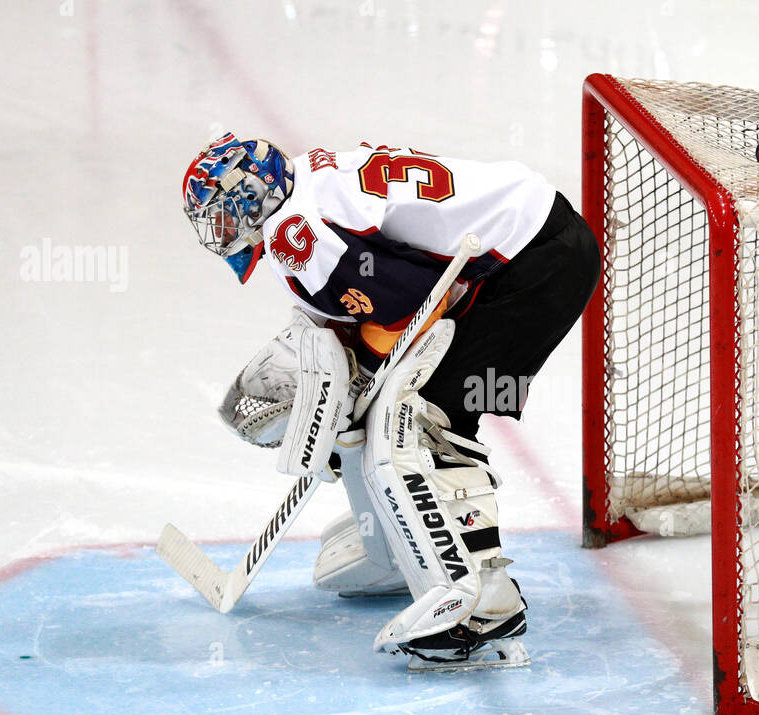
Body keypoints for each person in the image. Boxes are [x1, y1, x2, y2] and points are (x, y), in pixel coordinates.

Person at [181, 133, 600, 670]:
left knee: (427, 417)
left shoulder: (297, 234)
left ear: (253, 195)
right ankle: (398, 553)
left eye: (221, 213)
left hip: (536, 265)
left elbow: (418, 306)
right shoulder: (305, 182)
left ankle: (485, 602)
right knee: (395, 405)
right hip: (540, 240)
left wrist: (351, 388)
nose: (217, 231)